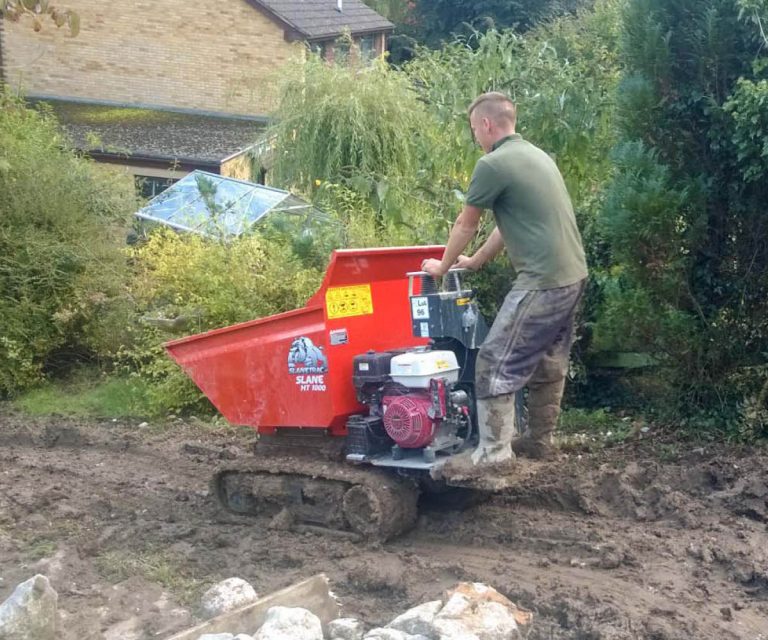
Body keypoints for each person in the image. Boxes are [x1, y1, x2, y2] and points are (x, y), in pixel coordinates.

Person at [421, 92, 588, 473]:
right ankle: (539, 442)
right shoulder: (536, 155)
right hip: (572, 275)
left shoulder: (492, 163)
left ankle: (493, 457)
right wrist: (477, 260)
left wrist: (442, 267)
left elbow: (467, 222)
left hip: (542, 280)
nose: (475, 137)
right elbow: (508, 221)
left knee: (494, 360)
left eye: (473, 130)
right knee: (547, 361)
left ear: (486, 125)